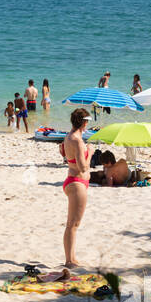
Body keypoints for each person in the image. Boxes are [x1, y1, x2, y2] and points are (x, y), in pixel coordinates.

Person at [61, 108, 92, 268]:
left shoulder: (70, 136)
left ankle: (72, 258)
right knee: (73, 224)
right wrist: (91, 153)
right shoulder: (77, 140)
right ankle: (69, 260)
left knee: (72, 224)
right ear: (84, 122)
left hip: (74, 182)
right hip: (76, 182)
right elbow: (82, 167)